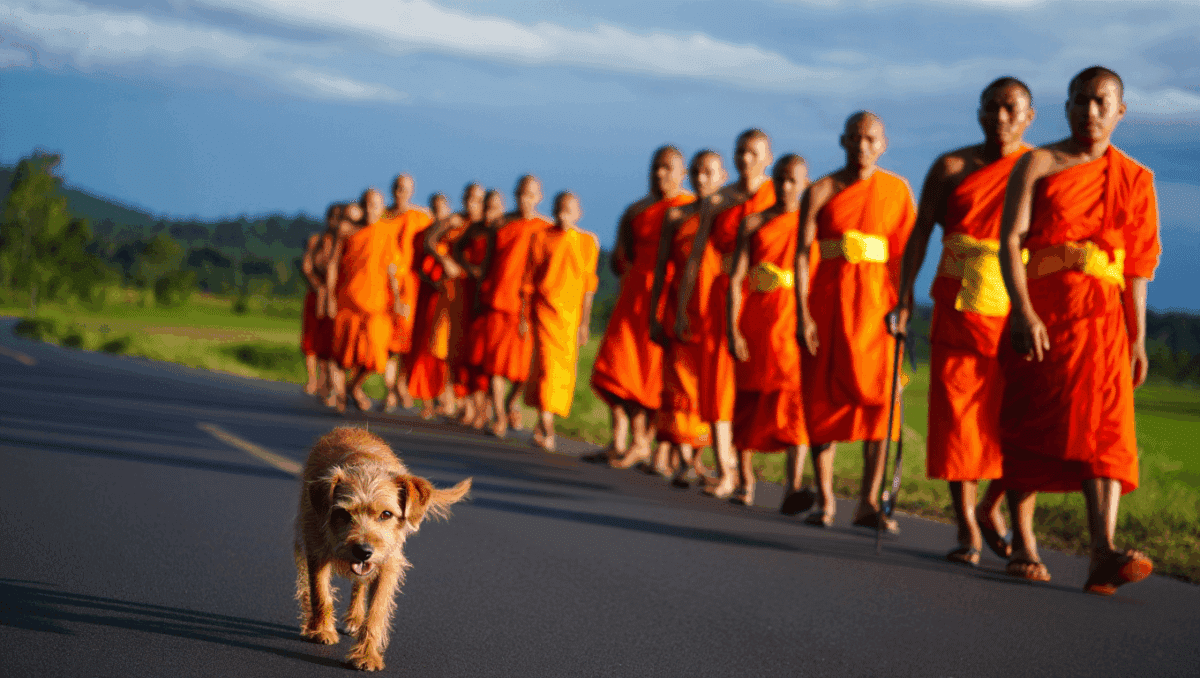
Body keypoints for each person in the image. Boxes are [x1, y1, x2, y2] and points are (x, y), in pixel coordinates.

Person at [997, 66, 1158, 593]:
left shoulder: (1135, 178)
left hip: (1104, 320)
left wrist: (1136, 337)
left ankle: (1102, 551)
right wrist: (1022, 311)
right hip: (1043, 311)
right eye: (1081, 101)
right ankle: (1023, 542)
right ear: (1066, 107)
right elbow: (1011, 240)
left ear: (1120, 111)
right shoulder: (1038, 163)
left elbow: (1135, 266)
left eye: (1102, 102)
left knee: (1106, 432)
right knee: (1031, 423)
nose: (1091, 112)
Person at [893, 77, 1035, 566]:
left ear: (1029, 117)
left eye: (1011, 109)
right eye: (991, 108)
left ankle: (996, 506)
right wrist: (904, 294)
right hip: (957, 307)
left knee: (1016, 419)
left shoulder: (1037, 168)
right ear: (978, 113)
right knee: (958, 420)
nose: (1000, 118)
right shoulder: (951, 167)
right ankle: (965, 525)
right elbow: (920, 234)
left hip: (1016, 310)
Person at [795, 112, 916, 530]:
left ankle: (867, 501)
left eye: (871, 138)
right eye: (855, 138)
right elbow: (800, 255)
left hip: (878, 307)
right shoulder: (822, 190)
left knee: (880, 404)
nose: (862, 146)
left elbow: (905, 255)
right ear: (842, 141)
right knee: (822, 399)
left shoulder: (897, 190)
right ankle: (825, 498)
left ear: (883, 144)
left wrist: (904, 308)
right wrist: (802, 311)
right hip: (829, 307)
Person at [677, 129, 776, 498]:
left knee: (753, 386)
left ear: (767, 157)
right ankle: (726, 471)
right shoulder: (718, 201)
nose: (744, 159)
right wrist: (683, 309)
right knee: (719, 386)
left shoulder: (778, 196)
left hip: (764, 297)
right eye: (739, 152)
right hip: (723, 295)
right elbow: (694, 261)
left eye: (753, 153)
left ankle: (747, 473)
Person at [588, 146, 694, 468]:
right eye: (655, 167)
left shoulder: (690, 209)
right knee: (615, 366)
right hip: (634, 295)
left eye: (667, 168)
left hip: (670, 297)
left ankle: (643, 442)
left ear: (682, 173)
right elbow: (622, 257)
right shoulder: (635, 211)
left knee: (651, 375)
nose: (660, 174)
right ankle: (619, 437)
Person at [727, 154, 811, 509]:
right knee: (748, 399)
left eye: (794, 180)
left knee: (795, 403)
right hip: (758, 319)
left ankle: (792, 486)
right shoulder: (753, 223)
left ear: (806, 184)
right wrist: (733, 329)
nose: (786, 187)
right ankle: (745, 481)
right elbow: (735, 281)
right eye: (780, 179)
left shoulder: (810, 224)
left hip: (795, 318)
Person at [650, 150, 723, 487]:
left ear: (722, 177)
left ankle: (698, 458)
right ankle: (682, 459)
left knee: (708, 390)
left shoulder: (728, 216)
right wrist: (656, 314)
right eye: (696, 172)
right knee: (679, 388)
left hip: (715, 312)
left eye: (709, 173)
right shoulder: (676, 216)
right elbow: (661, 269)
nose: (701, 179)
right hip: (681, 311)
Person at [524, 192, 600, 451]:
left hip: (571, 318)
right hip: (544, 312)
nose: (563, 214)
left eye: (569, 210)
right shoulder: (541, 237)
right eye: (559, 209)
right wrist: (525, 314)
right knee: (545, 367)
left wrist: (585, 323)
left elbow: (589, 286)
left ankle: (545, 420)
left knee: (563, 373)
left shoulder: (588, 242)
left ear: (579, 213)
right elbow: (529, 279)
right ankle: (546, 422)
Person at [478, 176, 552, 437]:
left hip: (529, 306)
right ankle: (499, 416)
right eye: (521, 194)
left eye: (531, 195)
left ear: (539, 197)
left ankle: (512, 402)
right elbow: (488, 263)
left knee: (524, 368)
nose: (525, 199)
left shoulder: (546, 228)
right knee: (495, 366)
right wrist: (481, 292)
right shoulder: (501, 225)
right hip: (499, 301)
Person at [327, 189, 401, 412]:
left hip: (376, 303)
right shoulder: (347, 232)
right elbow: (332, 266)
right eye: (368, 204)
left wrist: (396, 298)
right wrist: (329, 296)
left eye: (377, 205)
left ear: (382, 209)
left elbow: (391, 270)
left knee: (376, 354)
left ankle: (352, 386)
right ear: (361, 207)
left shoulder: (386, 232)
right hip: (348, 300)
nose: (372, 209)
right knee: (342, 353)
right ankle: (341, 395)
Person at [427, 183, 487, 421]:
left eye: (477, 200)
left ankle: (476, 406)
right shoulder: (455, 221)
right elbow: (429, 241)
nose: (472, 204)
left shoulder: (487, 226)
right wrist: (445, 261)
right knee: (450, 346)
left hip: (477, 289)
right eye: (469, 198)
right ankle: (456, 399)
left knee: (474, 350)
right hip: (454, 289)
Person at [383, 174, 433, 412]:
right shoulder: (383, 216)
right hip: (383, 284)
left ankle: (400, 385)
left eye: (405, 189)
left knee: (406, 339)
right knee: (389, 342)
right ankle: (391, 390)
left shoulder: (420, 217)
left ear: (412, 191)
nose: (400, 192)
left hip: (411, 285)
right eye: (397, 188)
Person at [406, 193, 455, 419]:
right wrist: (432, 281)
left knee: (444, 347)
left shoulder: (454, 234)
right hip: (429, 294)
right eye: (434, 209)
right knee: (425, 347)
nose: (438, 213)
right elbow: (416, 266)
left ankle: (445, 397)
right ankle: (426, 400)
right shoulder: (423, 235)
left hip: (448, 297)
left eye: (441, 208)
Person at [300, 203, 340, 397]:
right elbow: (306, 266)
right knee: (310, 339)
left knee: (329, 339)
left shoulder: (343, 241)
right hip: (316, 295)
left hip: (335, 298)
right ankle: (312, 379)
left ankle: (326, 382)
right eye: (333, 217)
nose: (336, 221)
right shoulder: (316, 240)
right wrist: (318, 287)